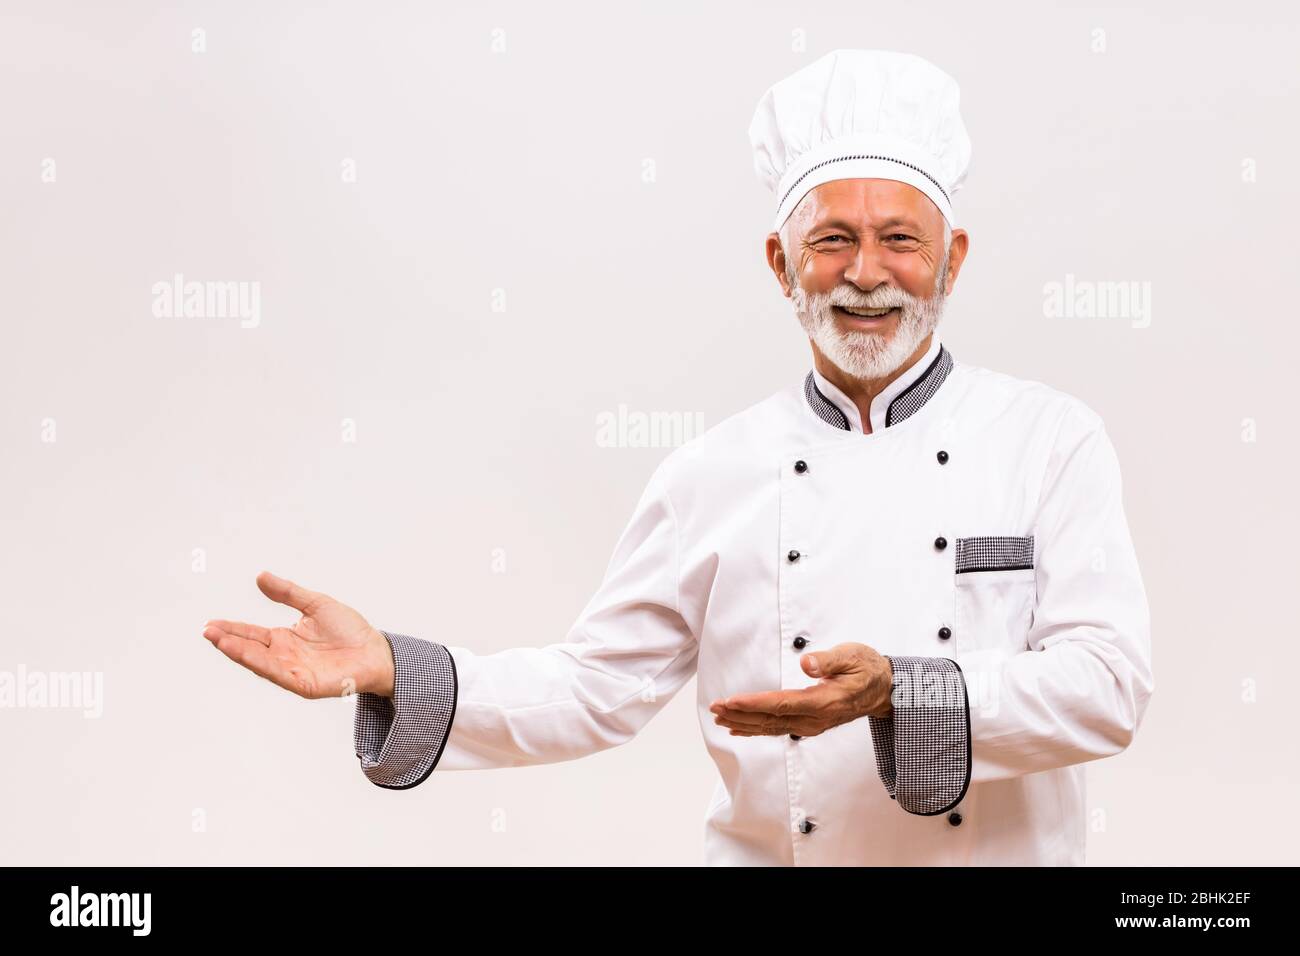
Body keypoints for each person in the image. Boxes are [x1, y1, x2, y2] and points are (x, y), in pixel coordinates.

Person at [203, 48, 1154, 865]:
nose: (867, 273)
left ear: (952, 261)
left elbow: (1109, 687)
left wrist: (899, 690)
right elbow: (593, 689)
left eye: (900, 240)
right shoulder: (714, 471)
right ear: (782, 266)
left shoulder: (1049, 440)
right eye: (832, 241)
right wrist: (390, 671)